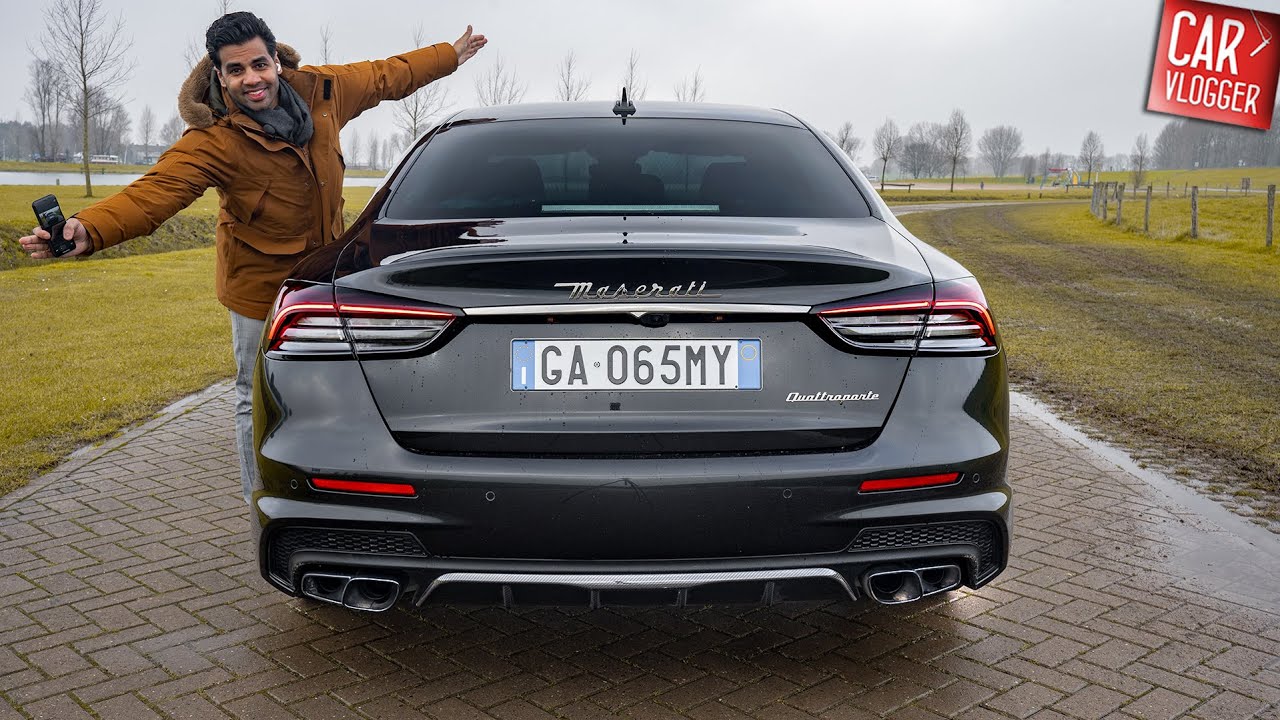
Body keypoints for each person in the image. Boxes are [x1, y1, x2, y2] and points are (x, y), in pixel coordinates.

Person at [17, 12, 486, 504]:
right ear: (219, 76)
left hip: (320, 276)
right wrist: (89, 229)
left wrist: (448, 56)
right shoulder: (214, 138)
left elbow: (388, 74)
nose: (251, 79)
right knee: (254, 391)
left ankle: (329, 484)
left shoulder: (323, 92)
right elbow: (154, 194)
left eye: (259, 64)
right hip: (255, 284)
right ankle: (259, 498)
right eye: (236, 70)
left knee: (326, 377)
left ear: (276, 60)